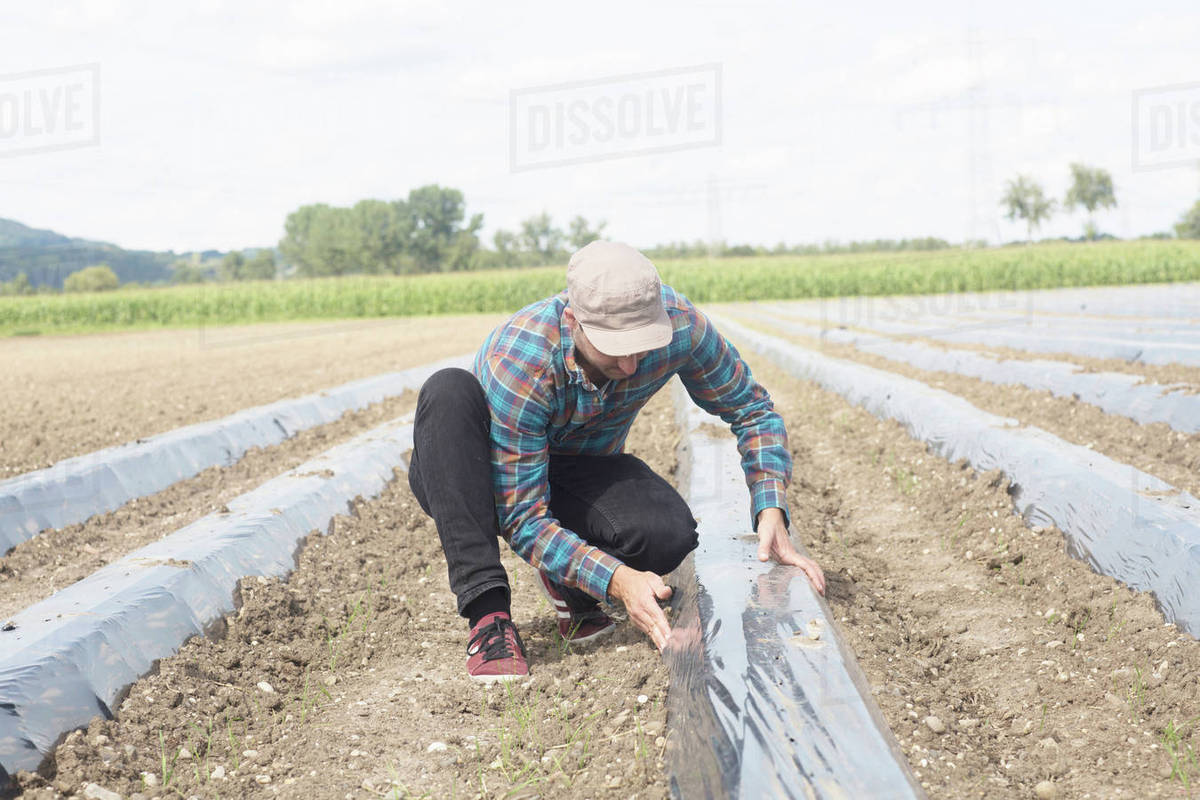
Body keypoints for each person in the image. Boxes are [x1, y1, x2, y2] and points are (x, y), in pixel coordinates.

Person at [406, 240, 825, 683]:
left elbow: (752, 408)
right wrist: (619, 581)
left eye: (641, 347)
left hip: (576, 466)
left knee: (667, 533)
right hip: (484, 474)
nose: (629, 365)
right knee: (447, 390)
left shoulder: (681, 325)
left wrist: (771, 507)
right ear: (574, 321)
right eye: (614, 348)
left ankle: (566, 581)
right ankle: (489, 619)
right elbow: (523, 516)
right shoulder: (521, 360)